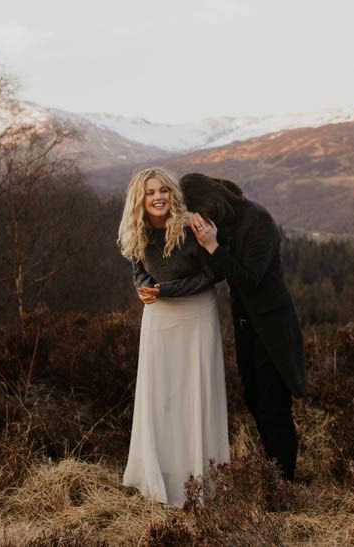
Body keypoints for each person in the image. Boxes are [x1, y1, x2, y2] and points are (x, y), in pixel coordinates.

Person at [179, 173, 307, 482]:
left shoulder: (257, 220)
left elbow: (250, 279)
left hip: (272, 325)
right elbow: (218, 273)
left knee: (274, 405)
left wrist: (213, 246)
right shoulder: (222, 223)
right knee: (254, 400)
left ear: (207, 201)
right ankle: (276, 472)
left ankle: (284, 482)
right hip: (246, 323)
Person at [117, 167, 229, 507]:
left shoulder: (192, 226)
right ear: (140, 199)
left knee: (195, 394)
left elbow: (213, 275)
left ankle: (201, 479)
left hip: (197, 316)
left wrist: (165, 290)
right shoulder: (136, 230)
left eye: (164, 190)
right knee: (161, 398)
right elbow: (138, 270)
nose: (158, 197)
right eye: (151, 192)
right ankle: (160, 478)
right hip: (159, 319)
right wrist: (143, 288)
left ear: (173, 193)